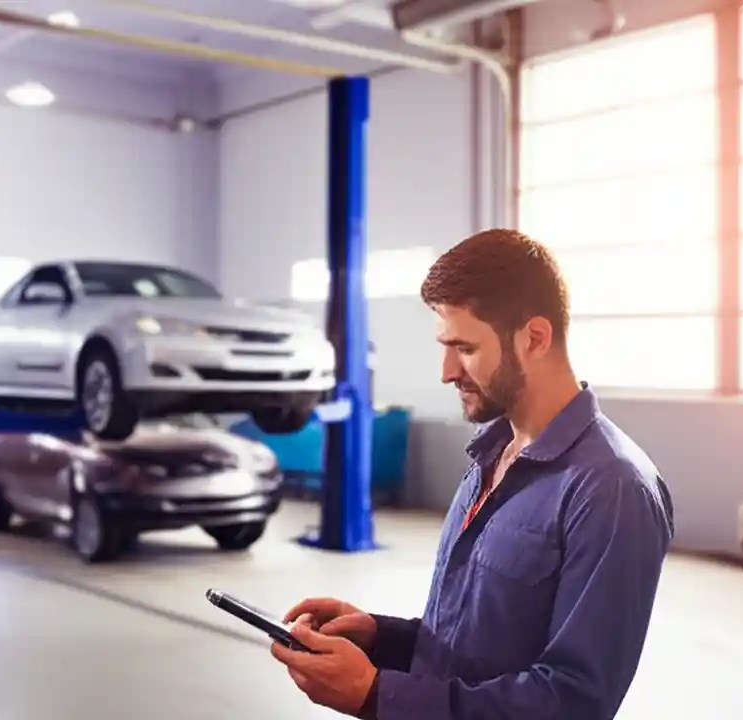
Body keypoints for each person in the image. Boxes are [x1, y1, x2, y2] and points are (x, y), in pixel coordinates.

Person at [269, 229, 675, 719]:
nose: (445, 371)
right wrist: (380, 637)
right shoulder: (491, 456)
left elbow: (575, 703)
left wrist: (377, 695)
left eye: (464, 347)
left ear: (535, 338)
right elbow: (472, 645)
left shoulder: (612, 489)